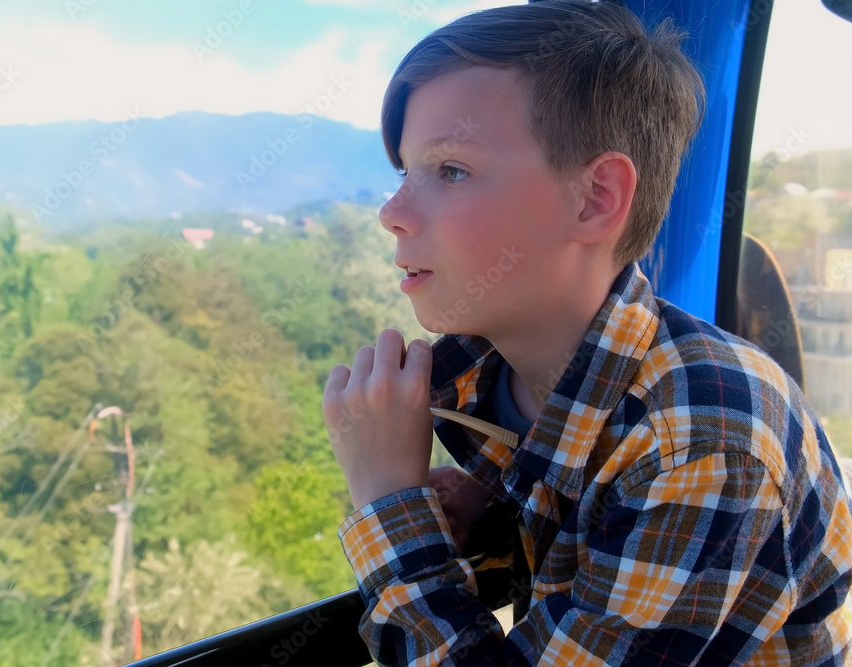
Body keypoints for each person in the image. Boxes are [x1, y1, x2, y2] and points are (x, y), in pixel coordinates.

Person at [320, 1, 852, 665]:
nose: (391, 213)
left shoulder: (701, 445)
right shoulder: (519, 382)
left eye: (450, 169)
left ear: (595, 198)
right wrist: (489, 521)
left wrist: (390, 505)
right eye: (404, 172)